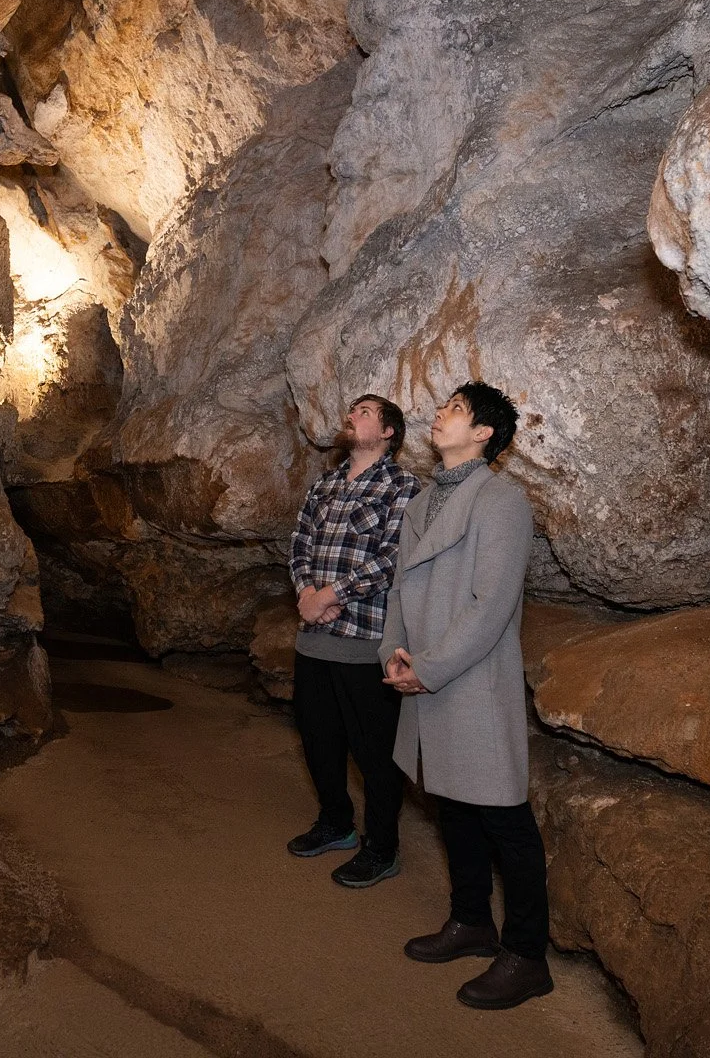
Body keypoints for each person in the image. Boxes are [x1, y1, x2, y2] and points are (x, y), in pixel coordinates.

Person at [380, 381, 553, 1010]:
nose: (441, 414)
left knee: (506, 818)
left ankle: (528, 955)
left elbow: (490, 606)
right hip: (424, 676)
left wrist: (429, 667)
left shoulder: (502, 500)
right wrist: (394, 656)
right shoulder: (422, 502)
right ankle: (471, 921)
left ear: (483, 433)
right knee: (452, 808)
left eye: (455, 409)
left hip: (471, 679)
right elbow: (399, 591)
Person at [285, 394, 421, 889]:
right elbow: (299, 542)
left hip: (364, 643)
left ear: (388, 431)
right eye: (352, 411)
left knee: (375, 755)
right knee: (320, 742)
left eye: (363, 412)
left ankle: (381, 848)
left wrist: (332, 594)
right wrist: (305, 593)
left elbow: (393, 559)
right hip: (313, 640)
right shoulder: (324, 482)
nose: (351, 417)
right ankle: (336, 823)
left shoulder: (401, 485)